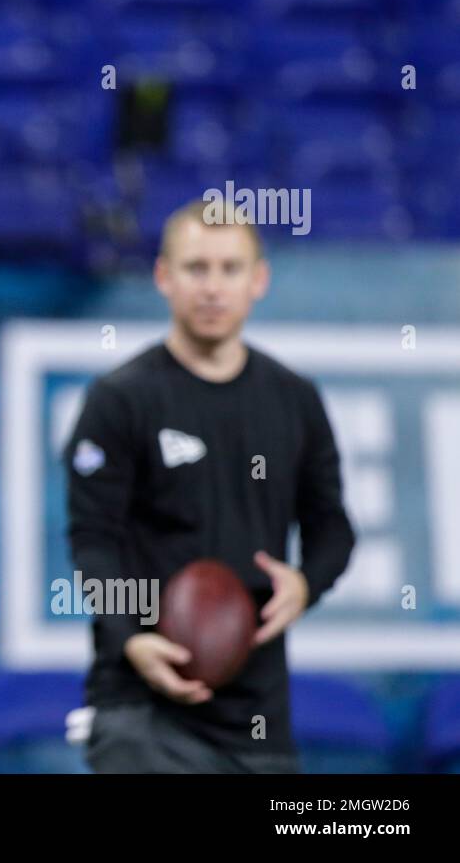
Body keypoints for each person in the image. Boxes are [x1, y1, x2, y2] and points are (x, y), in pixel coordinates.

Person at [65, 199, 356, 773]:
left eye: (231, 269)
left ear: (259, 280)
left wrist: (305, 584)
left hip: (258, 716)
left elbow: (333, 528)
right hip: (140, 707)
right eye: (197, 268)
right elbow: (92, 540)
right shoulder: (120, 398)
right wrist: (130, 638)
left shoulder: (294, 398)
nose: (213, 288)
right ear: (164, 277)